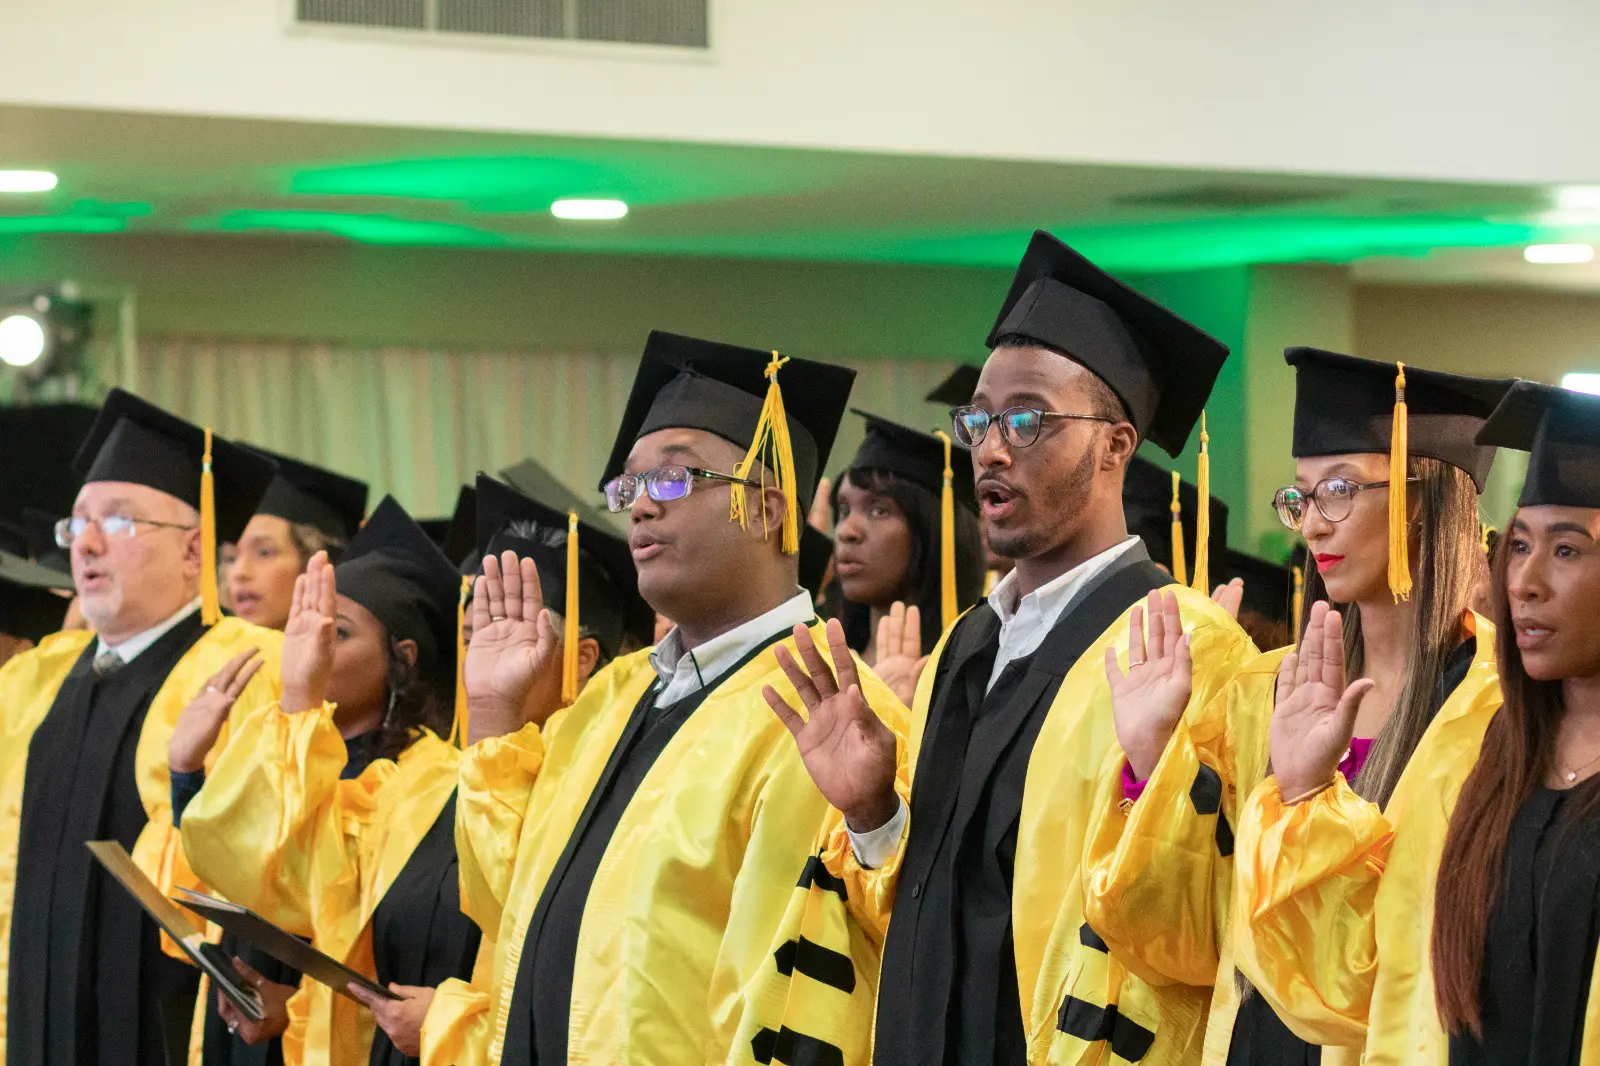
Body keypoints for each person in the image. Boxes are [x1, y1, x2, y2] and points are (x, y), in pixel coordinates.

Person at [766, 230, 1255, 1064]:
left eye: (1028, 420)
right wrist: (874, 814)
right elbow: (929, 920)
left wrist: (1154, 774)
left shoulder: (1183, 644)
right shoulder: (968, 644)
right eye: (980, 420)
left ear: (1115, 446)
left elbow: (1206, 937)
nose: (990, 447)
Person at [453, 331, 906, 1063]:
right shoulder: (611, 699)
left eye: (671, 479)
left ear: (765, 508)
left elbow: (830, 975)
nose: (637, 508)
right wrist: (499, 718)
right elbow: (511, 907)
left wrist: (876, 819)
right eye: (628, 487)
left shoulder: (833, 709)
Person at [1093, 350, 1513, 1065]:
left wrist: (1309, 797)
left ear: (1423, 501)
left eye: (1340, 491)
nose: (1312, 524)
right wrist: (1152, 759)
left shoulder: (1492, 713)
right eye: (1301, 498)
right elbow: (1186, 945)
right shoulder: (1263, 695)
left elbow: (1420, 972)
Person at [1227, 380, 1599, 1064]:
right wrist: (1300, 793)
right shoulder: (1505, 764)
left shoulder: (1475, 720)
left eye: (1567, 549)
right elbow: (1369, 972)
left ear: (1426, 506)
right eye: (1519, 546)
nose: (1526, 581)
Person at [0, 388, 282, 1066]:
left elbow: (268, 868)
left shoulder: (248, 665)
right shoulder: (46, 677)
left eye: (119, 522)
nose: (86, 543)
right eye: (77, 525)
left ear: (194, 550)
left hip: (168, 1025)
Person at [172, 496, 465, 1066]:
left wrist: (296, 998)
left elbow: (326, 912)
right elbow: (233, 867)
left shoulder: (427, 779)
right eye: (304, 628)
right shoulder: (284, 741)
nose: (311, 646)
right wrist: (186, 771)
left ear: (400, 657)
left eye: (338, 633)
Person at [831, 410, 983, 693]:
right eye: (843, 510)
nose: (846, 531)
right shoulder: (818, 662)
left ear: (931, 530)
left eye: (879, 510)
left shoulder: (971, 675)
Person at [223, 449, 368, 630]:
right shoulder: (209, 656)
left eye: (264, 552)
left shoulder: (342, 658)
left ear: (315, 563)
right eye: (230, 558)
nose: (239, 573)